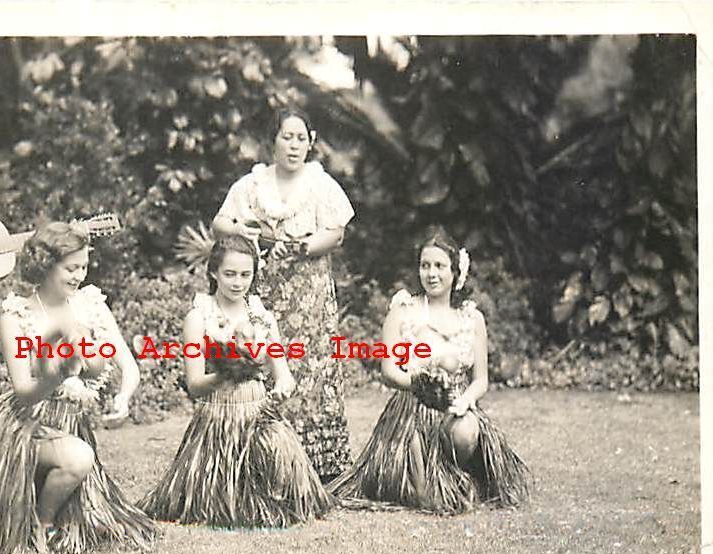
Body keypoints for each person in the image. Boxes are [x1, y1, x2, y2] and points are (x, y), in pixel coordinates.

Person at [0, 221, 159, 554]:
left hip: (70, 422)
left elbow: (126, 364)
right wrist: (58, 374)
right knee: (78, 458)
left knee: (85, 473)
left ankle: (56, 512)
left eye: (84, 267)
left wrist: (123, 397)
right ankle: (39, 525)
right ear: (45, 265)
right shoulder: (17, 315)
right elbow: (24, 391)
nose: (79, 276)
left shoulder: (90, 304)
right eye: (71, 268)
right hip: (25, 425)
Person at [329, 227, 530, 514]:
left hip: (455, 404)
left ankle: (457, 478)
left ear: (455, 271)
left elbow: (481, 380)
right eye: (425, 266)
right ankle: (425, 484)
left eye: (439, 266)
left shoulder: (472, 318)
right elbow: (388, 371)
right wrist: (420, 384)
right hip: (412, 408)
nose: (431, 274)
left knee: (467, 432)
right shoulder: (403, 312)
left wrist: (465, 401)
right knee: (418, 480)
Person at [138, 235, 334, 527]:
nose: (237, 282)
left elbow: (284, 376)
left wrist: (281, 389)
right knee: (220, 500)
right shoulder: (199, 317)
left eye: (246, 274)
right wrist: (228, 372)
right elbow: (194, 385)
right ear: (213, 272)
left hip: (256, 411)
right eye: (229, 274)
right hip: (218, 415)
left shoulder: (261, 316)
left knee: (281, 457)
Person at [211, 107, 355, 482]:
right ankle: (263, 455)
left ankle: (315, 464)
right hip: (264, 287)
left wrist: (301, 247)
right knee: (261, 356)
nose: (293, 145)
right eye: (286, 137)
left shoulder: (320, 184)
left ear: (311, 142)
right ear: (273, 141)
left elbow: (336, 232)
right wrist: (247, 231)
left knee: (309, 365)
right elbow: (220, 224)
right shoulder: (253, 185)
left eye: (300, 138)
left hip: (309, 291)